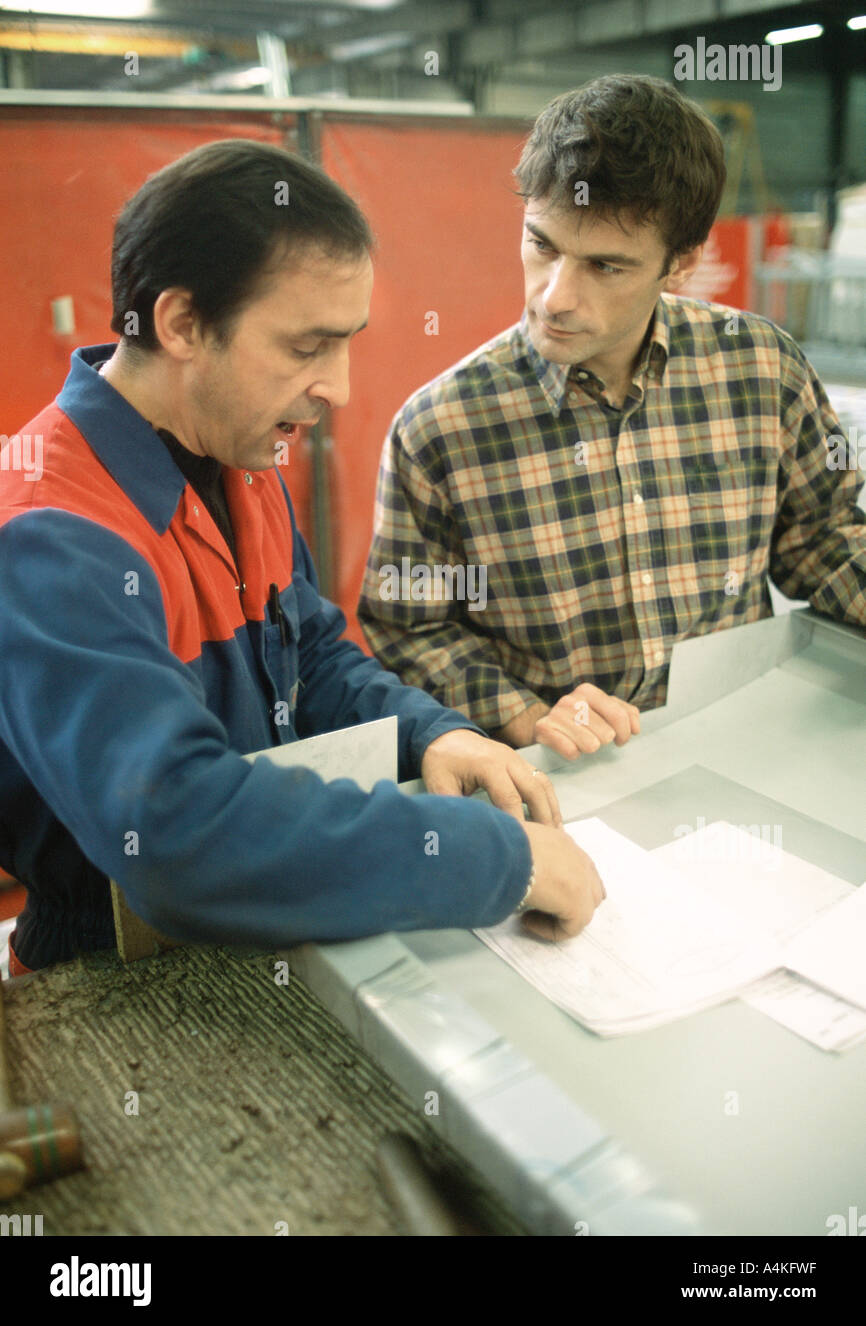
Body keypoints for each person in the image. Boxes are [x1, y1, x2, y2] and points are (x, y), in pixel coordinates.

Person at [0, 139, 606, 975]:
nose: (340, 388)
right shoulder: (48, 534)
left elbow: (311, 657)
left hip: (275, 932)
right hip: (112, 978)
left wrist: (423, 734)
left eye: (348, 342)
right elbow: (177, 830)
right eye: (306, 347)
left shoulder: (239, 459)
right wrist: (492, 858)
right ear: (180, 324)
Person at [358, 75, 866, 760]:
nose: (556, 299)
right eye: (543, 246)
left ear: (681, 265)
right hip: (570, 777)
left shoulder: (762, 369)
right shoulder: (442, 428)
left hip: (742, 747)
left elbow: (821, 539)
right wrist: (529, 717)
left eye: (605, 266)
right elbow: (410, 628)